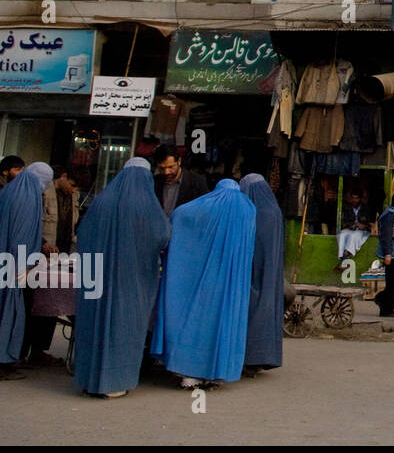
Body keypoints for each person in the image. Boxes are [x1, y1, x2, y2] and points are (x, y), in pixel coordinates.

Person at [73, 158, 170, 398]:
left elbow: (82, 232)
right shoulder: (146, 204)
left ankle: (89, 379)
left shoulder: (102, 200)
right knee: (125, 325)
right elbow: (163, 236)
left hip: (95, 277)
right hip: (131, 280)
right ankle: (115, 382)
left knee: (94, 323)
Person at [151, 179, 256, 388]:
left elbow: (181, 215)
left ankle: (190, 372)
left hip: (205, 281)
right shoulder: (248, 209)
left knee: (198, 322)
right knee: (222, 322)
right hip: (232, 283)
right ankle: (216, 372)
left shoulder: (206, 206)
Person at [22, 166, 83, 366]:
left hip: (61, 257)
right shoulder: (42, 192)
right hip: (38, 256)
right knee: (35, 303)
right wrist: (41, 244)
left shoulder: (73, 197)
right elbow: (31, 224)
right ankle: (25, 349)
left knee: (53, 303)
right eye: (72, 185)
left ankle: (40, 350)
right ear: (63, 177)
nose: (74, 190)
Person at [0, 164, 52, 380]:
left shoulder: (11, 190)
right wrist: (24, 266)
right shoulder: (28, 197)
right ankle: (4, 361)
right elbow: (20, 236)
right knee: (9, 313)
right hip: (14, 266)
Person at [239, 173, 284, 375]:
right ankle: (263, 357)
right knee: (267, 307)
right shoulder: (274, 210)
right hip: (271, 272)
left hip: (253, 270)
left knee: (252, 309)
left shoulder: (254, 212)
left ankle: (250, 357)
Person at [154, 146, 205, 219]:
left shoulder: (197, 182)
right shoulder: (154, 182)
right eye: (162, 168)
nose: (166, 172)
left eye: (170, 167)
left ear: (179, 161)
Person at [334, 189, 372, 273]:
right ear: (350, 198)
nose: (354, 200)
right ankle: (343, 256)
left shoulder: (366, 208)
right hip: (351, 229)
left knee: (353, 236)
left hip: (362, 231)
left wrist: (364, 226)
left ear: (360, 199)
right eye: (353, 198)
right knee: (341, 235)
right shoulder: (346, 208)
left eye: (357, 198)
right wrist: (351, 225)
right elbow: (343, 222)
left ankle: (344, 260)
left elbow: (371, 224)